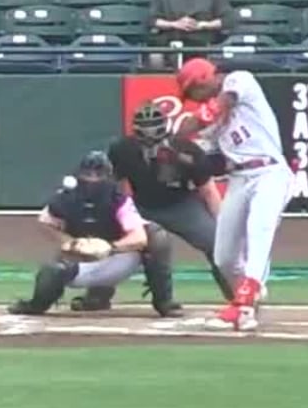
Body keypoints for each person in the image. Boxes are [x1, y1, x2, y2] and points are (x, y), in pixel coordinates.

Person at [72, 101, 235, 311]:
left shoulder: (188, 152)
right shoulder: (122, 149)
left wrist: (222, 226)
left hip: (182, 205)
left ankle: (237, 299)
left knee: (217, 245)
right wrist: (119, 216)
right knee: (113, 240)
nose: (150, 145)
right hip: (142, 204)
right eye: (144, 138)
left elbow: (209, 191)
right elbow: (118, 187)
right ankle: (98, 295)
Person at [176, 58, 292, 333]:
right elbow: (206, 158)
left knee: (258, 232)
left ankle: (244, 305)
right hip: (239, 178)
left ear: (205, 79)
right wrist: (177, 153)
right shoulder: (215, 126)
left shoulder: (239, 80)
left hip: (269, 172)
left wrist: (185, 132)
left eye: (194, 91)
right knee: (224, 256)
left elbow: (220, 106)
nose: (193, 98)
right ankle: (250, 294)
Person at [7, 151, 180, 318]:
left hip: (119, 259)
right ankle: (37, 305)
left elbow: (140, 238)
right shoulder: (66, 198)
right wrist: (70, 242)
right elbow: (45, 222)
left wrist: (109, 248)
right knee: (51, 272)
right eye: (88, 174)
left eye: (98, 175)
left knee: (157, 236)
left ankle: (164, 302)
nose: (92, 179)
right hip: (81, 261)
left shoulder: (118, 200)